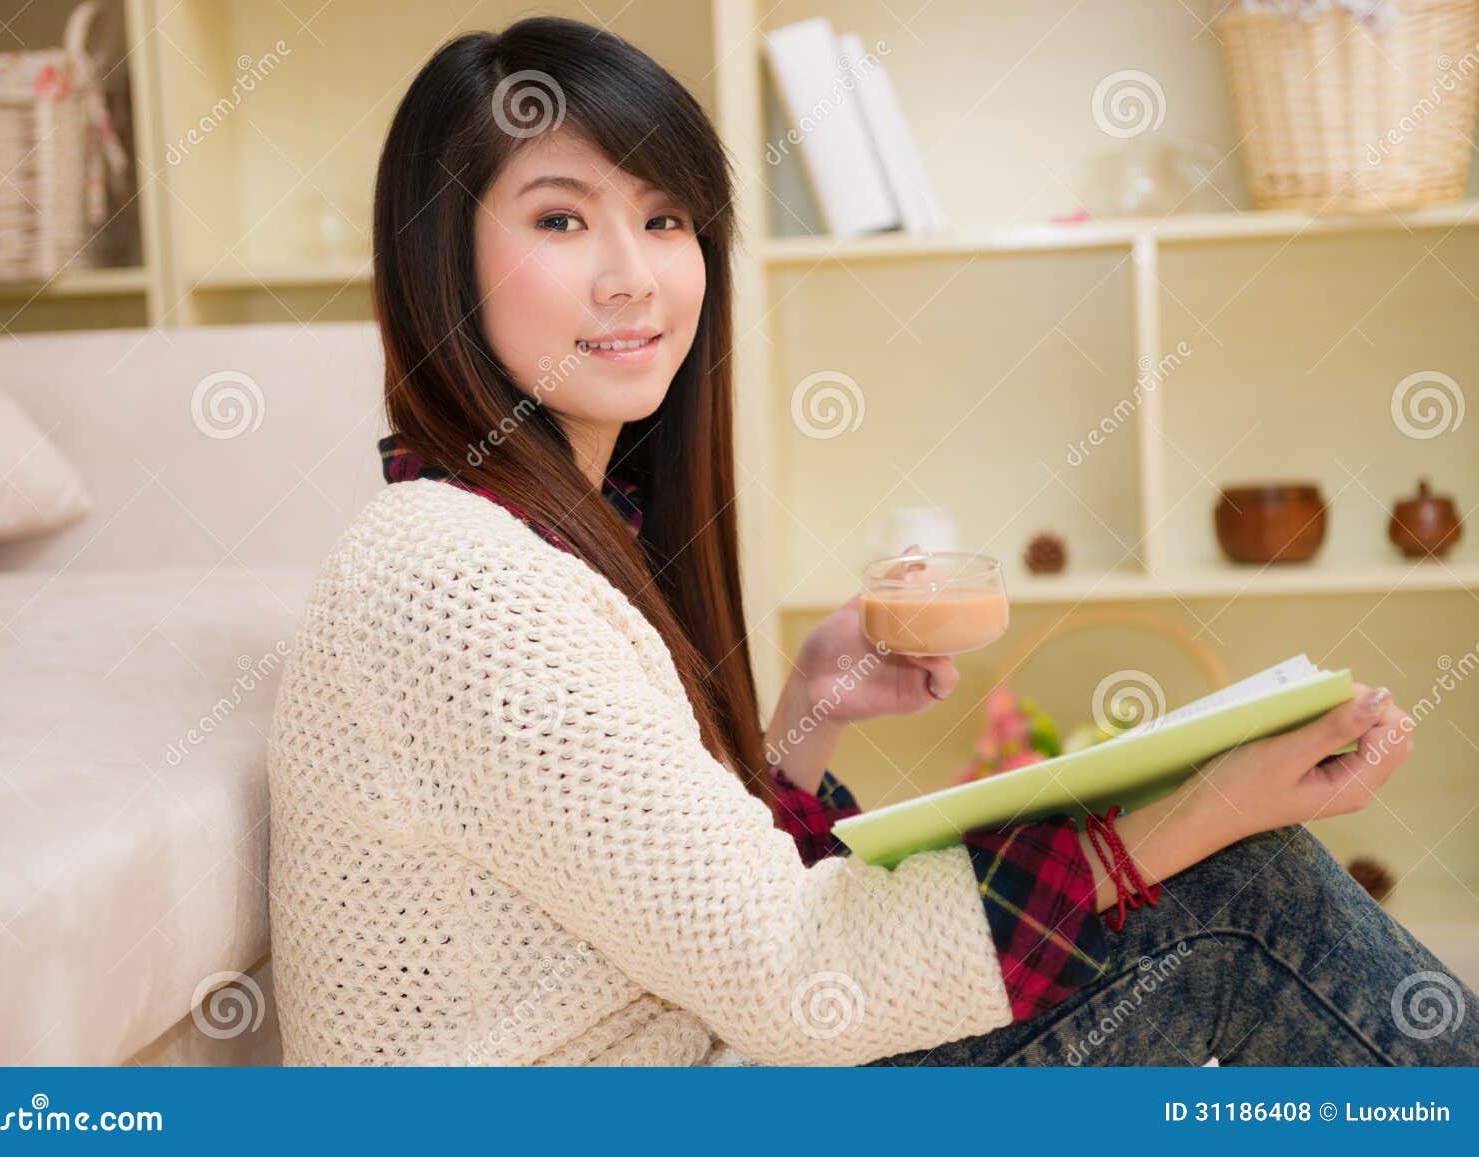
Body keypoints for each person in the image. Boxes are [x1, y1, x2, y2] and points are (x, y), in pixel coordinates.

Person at [264, 15, 1477, 1066]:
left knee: (1216, 877)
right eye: (562, 218)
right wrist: (1194, 811)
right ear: (441, 257)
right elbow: (799, 976)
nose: (634, 277)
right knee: (1234, 885)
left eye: (666, 217)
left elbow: (680, 898)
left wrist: (804, 719)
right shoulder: (457, 580)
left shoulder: (536, 539)